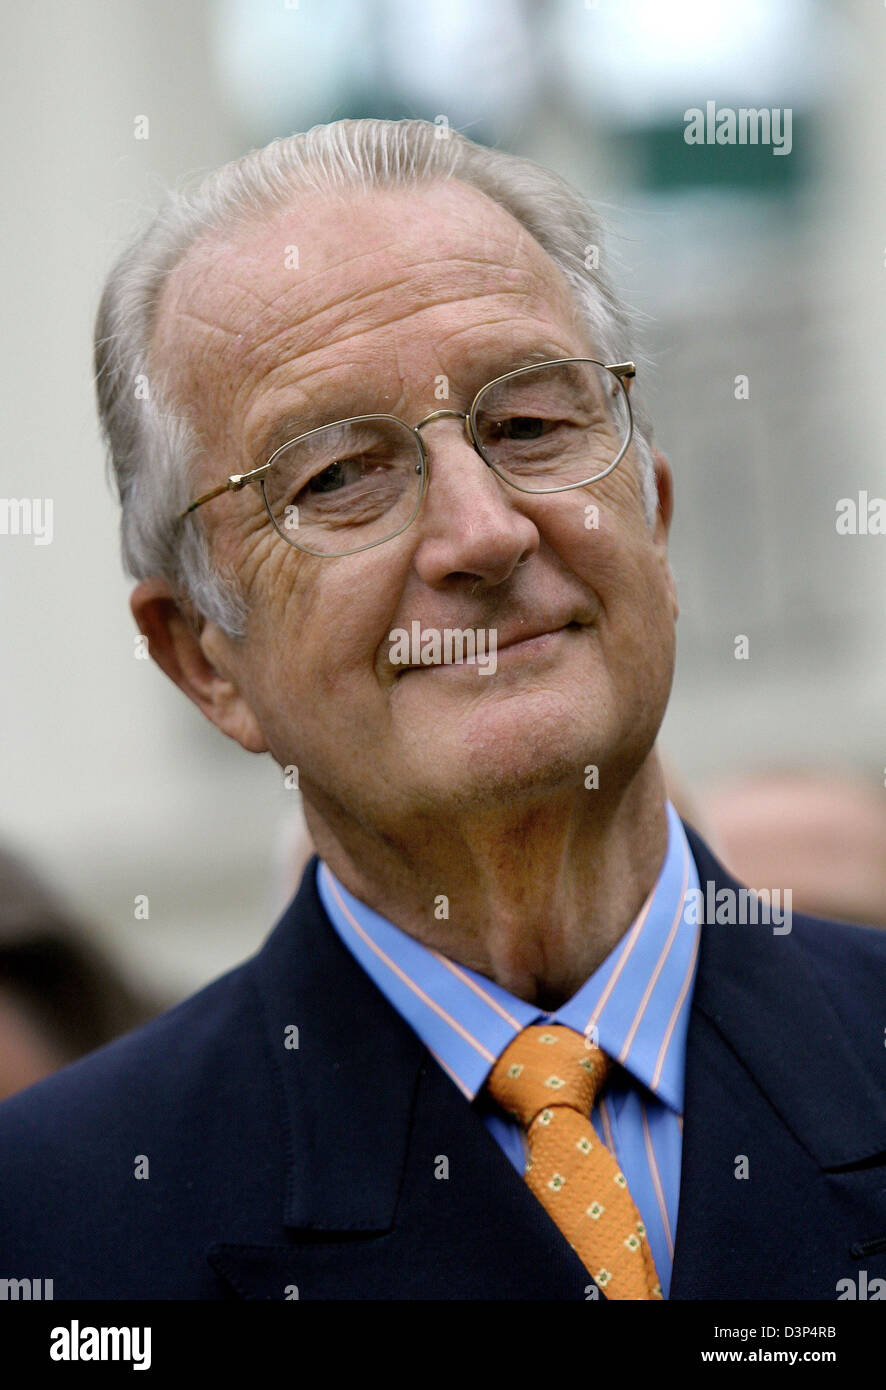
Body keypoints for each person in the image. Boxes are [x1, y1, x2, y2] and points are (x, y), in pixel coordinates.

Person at [1, 118, 884, 1301]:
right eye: (337, 476)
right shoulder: (59, 1228)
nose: (483, 532)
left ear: (655, 523)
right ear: (205, 661)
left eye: (528, 424)